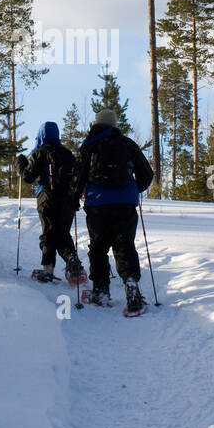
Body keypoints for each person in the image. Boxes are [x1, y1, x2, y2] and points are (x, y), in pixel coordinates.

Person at [71, 108, 154, 314]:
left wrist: (74, 198)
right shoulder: (127, 144)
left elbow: (78, 176)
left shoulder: (89, 145)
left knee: (98, 248)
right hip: (125, 203)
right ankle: (132, 287)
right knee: (124, 245)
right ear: (115, 125)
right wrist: (134, 189)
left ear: (96, 124)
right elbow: (147, 174)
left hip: (97, 204)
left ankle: (101, 291)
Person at [16, 121, 86, 284]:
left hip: (47, 197)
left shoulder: (40, 152)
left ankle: (48, 269)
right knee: (62, 233)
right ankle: (73, 262)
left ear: (41, 135)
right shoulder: (68, 153)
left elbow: (28, 177)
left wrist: (21, 164)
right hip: (67, 200)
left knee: (48, 233)